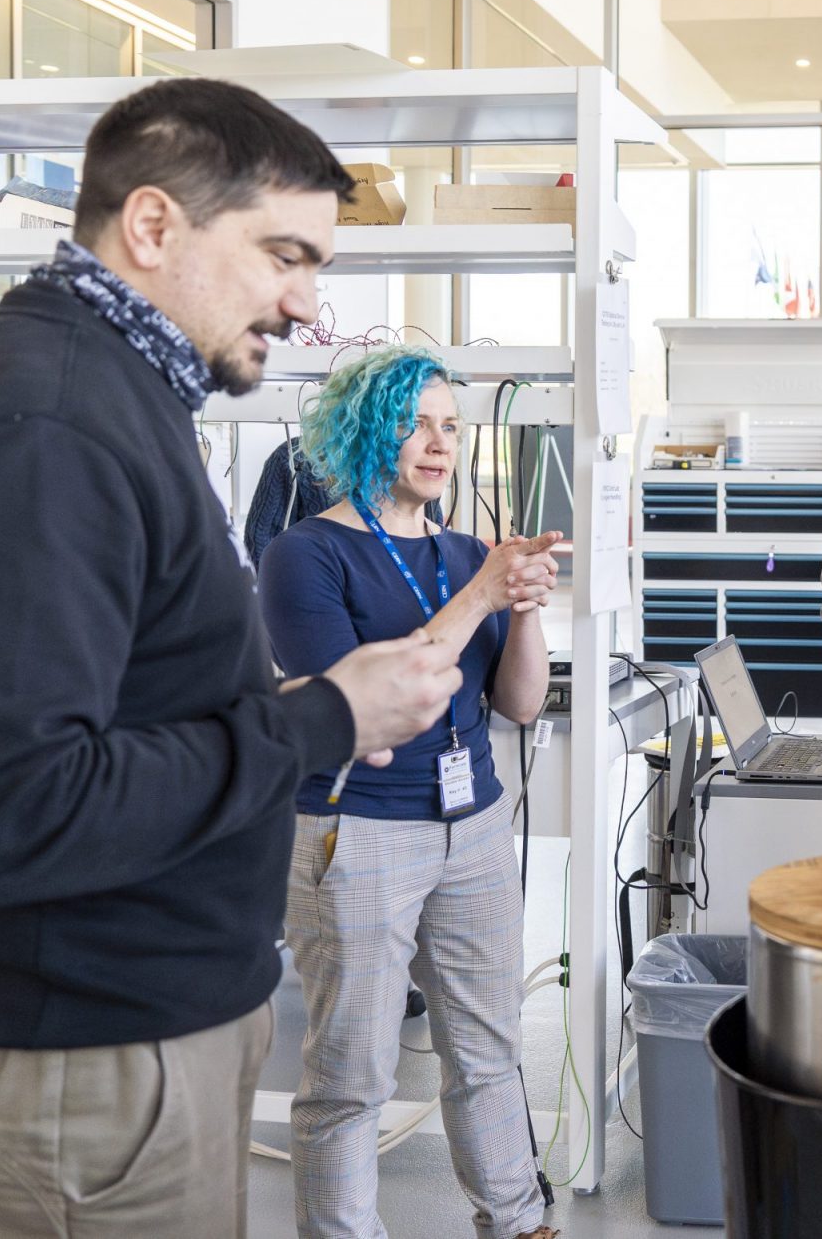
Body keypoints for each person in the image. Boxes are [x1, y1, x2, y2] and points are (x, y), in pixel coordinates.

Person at [0, 78, 462, 1238]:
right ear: (151, 226)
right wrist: (321, 719)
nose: (304, 305)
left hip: (108, 1046)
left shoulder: (101, 393)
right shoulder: (42, 426)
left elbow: (89, 710)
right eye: (282, 255)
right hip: (74, 1072)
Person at [258, 347, 562, 1239]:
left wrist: (529, 602)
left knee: (489, 1053)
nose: (438, 443)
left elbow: (519, 701)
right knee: (351, 1077)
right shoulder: (304, 555)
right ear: (366, 432)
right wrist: (482, 591)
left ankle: (517, 1222)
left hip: (473, 828)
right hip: (359, 833)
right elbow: (364, 712)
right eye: (415, 423)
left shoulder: (466, 551)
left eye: (451, 426)